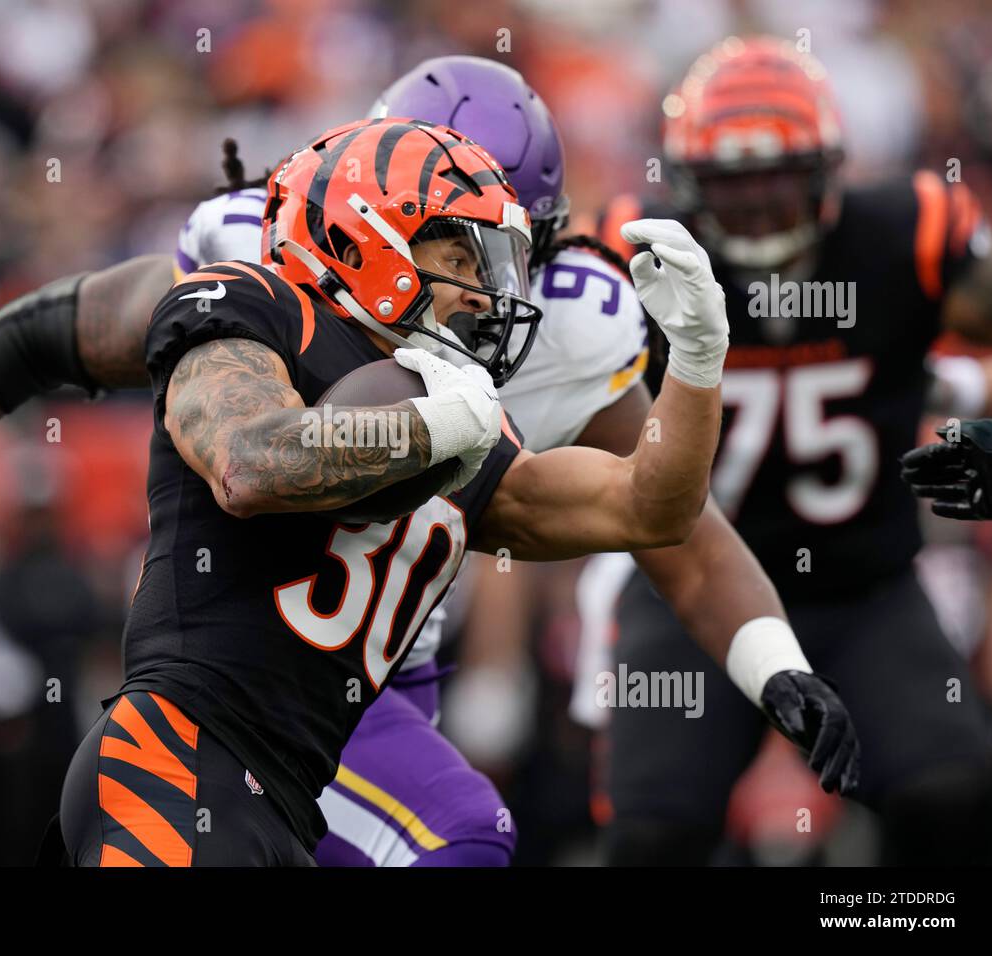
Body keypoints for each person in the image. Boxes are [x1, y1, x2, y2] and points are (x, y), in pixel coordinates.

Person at [0, 114, 737, 865]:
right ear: (369, 237)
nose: (485, 290)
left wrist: (696, 364)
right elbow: (251, 462)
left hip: (284, 808)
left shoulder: (462, 422)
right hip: (171, 758)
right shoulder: (253, 310)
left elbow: (648, 509)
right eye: (459, 256)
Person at [177, 55, 861, 867]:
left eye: (509, 248)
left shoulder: (572, 325)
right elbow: (78, 337)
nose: (486, 288)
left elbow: (662, 519)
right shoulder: (251, 260)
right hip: (228, 670)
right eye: (453, 248)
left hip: (389, 676)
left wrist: (772, 662)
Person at [593, 36, 992, 865]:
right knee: (653, 833)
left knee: (951, 795)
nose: (756, 213)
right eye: (733, 190)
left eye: (779, 186)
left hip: (865, 585)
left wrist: (963, 392)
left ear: (828, 173)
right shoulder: (636, 250)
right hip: (690, 584)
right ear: (686, 187)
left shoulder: (906, 231)